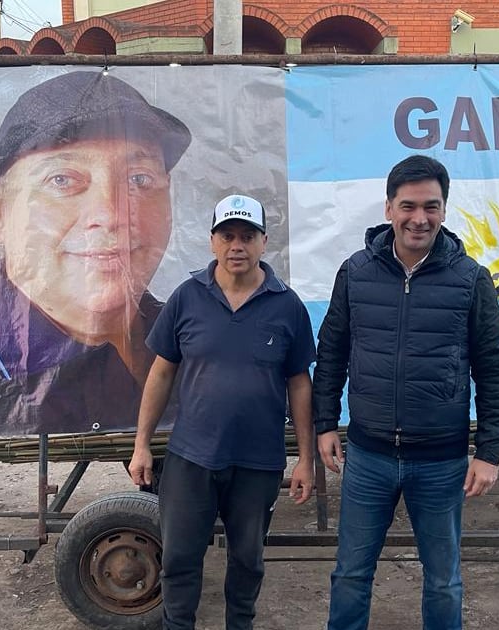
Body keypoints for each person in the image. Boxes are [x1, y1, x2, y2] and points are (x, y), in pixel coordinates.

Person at [0, 72, 191, 436]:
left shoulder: (186, 338)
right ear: (0, 212)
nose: (110, 215)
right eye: (62, 180)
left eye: (139, 179)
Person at [313, 155, 499, 630]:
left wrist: (489, 452)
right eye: (408, 206)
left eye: (431, 206)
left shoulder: (471, 279)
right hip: (368, 458)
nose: (419, 218)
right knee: (350, 574)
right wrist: (324, 423)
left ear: (444, 209)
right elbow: (332, 352)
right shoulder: (356, 272)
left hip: (441, 463)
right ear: (388, 209)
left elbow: (494, 369)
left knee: (443, 580)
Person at [128, 194, 316, 630]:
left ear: (263, 242)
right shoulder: (186, 298)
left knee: (247, 561)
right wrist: (141, 446)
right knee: (179, 559)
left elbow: (299, 384)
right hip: (191, 458)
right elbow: (160, 374)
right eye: (227, 235)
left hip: (258, 462)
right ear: (212, 241)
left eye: (247, 236)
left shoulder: (287, 306)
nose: (237, 245)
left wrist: (304, 459)